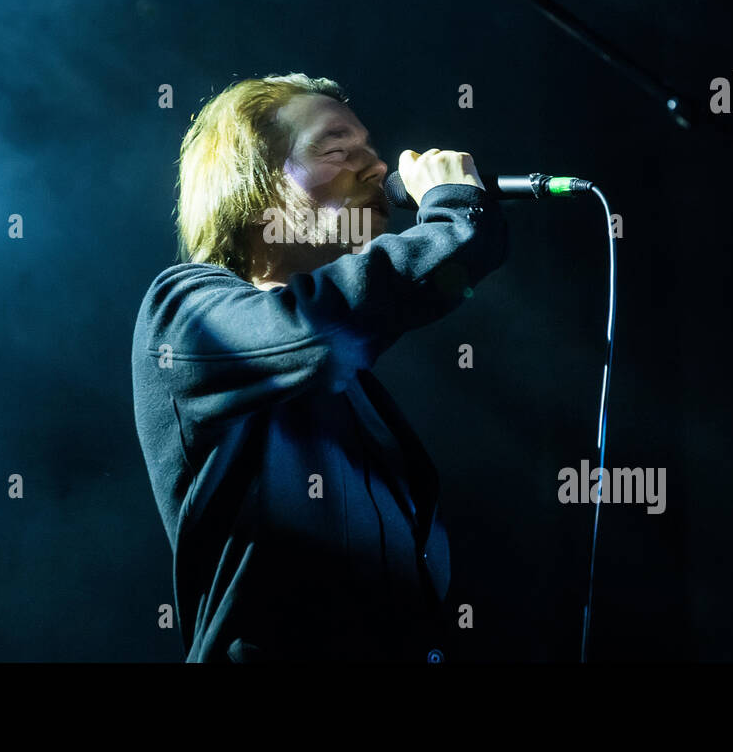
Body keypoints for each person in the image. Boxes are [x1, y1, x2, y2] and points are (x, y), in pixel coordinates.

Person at [131, 72, 508, 661]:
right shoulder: (184, 310)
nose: (378, 168)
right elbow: (320, 330)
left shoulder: (353, 381)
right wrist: (456, 213)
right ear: (253, 185)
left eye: (370, 149)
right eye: (336, 148)